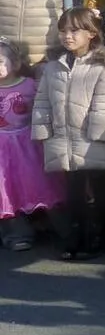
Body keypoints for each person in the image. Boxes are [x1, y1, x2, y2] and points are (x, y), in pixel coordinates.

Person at [32, 10, 105, 260]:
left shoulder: (104, 65)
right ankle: (75, 238)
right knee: (73, 194)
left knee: (95, 194)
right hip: (63, 139)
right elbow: (42, 101)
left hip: (92, 142)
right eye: (63, 31)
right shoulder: (53, 67)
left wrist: (95, 135)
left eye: (74, 31)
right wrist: (42, 130)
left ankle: (96, 240)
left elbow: (104, 104)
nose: (67, 36)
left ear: (91, 33)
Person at [0, 39, 63, 252]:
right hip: (1, 150)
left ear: (15, 63)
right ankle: (16, 234)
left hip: (27, 146)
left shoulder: (29, 85)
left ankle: (60, 227)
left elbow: (46, 105)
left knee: (40, 185)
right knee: (6, 191)